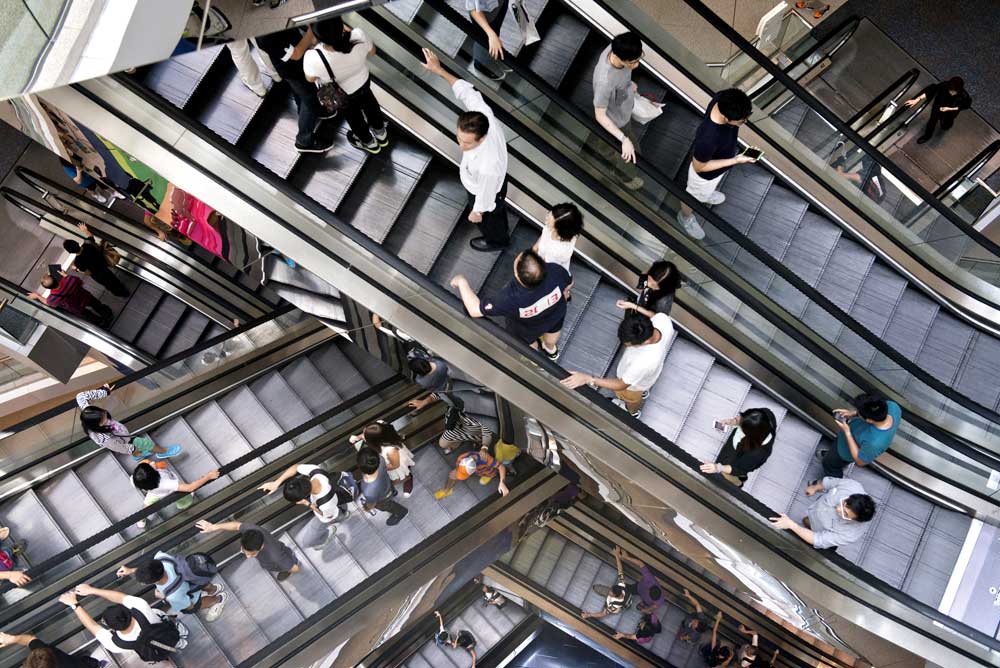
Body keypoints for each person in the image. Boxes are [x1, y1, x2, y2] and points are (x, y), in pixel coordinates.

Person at [422, 48, 510, 251]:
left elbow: (486, 198)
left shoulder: (487, 166)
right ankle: (499, 232)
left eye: (468, 143)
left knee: (491, 218)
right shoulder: (483, 114)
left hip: (488, 190)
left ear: (482, 138)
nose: (461, 145)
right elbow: (467, 93)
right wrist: (439, 70)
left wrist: (477, 212)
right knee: (496, 212)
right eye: (459, 138)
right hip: (490, 182)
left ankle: (497, 241)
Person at [561, 300, 673, 418]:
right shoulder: (663, 321)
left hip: (634, 387)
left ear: (645, 342)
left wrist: (588, 379)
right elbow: (654, 315)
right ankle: (643, 391)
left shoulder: (643, 362)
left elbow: (621, 384)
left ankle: (633, 412)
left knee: (632, 398)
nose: (626, 345)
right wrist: (633, 306)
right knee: (642, 385)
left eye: (629, 344)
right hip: (647, 375)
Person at [452, 249, 569, 359]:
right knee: (551, 338)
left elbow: (474, 310)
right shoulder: (555, 271)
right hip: (555, 315)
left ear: (517, 275)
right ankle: (551, 350)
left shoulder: (510, 298)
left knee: (528, 346)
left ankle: (534, 360)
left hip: (526, 329)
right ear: (542, 263)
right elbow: (569, 283)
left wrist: (462, 282)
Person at [677, 88, 758, 240]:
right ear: (726, 118)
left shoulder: (723, 98)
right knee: (692, 197)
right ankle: (685, 217)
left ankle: (706, 195)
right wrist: (735, 160)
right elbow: (699, 167)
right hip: (704, 177)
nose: (744, 122)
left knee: (704, 192)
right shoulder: (708, 138)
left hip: (718, 164)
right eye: (741, 121)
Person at [304, 17, 388, 154]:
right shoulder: (358, 35)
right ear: (340, 24)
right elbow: (372, 52)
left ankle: (370, 144)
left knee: (354, 118)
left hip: (342, 94)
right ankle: (381, 134)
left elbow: (310, 78)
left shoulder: (313, 57)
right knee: (371, 105)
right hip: (363, 82)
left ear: (317, 35)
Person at [255, 26, 336, 154]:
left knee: (302, 94)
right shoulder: (265, 37)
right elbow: (296, 54)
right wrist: (311, 31)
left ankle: (313, 111)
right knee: (310, 100)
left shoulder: (266, 26)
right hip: (293, 70)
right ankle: (303, 141)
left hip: (295, 66)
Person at [59, 584, 189, 659]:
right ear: (127, 611)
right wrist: (92, 590)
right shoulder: (141, 608)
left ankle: (177, 645)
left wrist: (74, 604)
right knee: (166, 625)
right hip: (164, 629)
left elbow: (92, 626)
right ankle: (179, 635)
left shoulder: (116, 644)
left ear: (111, 628)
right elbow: (120, 597)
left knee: (165, 643)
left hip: (153, 648)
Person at [259, 462, 359, 550]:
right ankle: (344, 513)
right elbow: (295, 467)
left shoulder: (324, 504)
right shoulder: (316, 472)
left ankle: (339, 521)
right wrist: (277, 482)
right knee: (337, 506)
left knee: (307, 542)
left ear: (303, 497)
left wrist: (308, 504)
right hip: (338, 489)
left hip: (333, 508)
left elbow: (326, 517)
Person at [592, 31, 645, 191]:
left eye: (639, 58)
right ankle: (624, 176)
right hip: (617, 121)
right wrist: (623, 139)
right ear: (620, 57)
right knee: (632, 153)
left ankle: (606, 154)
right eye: (633, 62)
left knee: (606, 146)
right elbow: (600, 115)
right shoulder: (605, 82)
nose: (637, 65)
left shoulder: (618, 47)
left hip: (622, 108)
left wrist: (629, 84)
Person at [76, 385, 182, 459]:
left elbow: (80, 396)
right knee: (145, 443)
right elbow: (118, 447)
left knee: (137, 447)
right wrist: (132, 449)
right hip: (122, 440)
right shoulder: (103, 438)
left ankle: (139, 454)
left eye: (103, 413)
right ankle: (163, 452)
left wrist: (104, 392)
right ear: (97, 425)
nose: (106, 417)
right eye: (103, 419)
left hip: (120, 433)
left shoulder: (88, 412)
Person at [769, 477, 876, 550]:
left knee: (809, 526)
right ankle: (808, 521)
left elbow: (817, 539)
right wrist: (815, 487)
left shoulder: (849, 534)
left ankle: (809, 524)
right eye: (844, 503)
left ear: (855, 520)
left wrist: (792, 525)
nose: (838, 509)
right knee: (807, 520)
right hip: (816, 510)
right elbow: (830, 483)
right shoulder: (851, 486)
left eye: (845, 514)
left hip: (819, 529)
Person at [118, 553, 226, 622]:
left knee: (192, 608)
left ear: (155, 581)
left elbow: (189, 606)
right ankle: (214, 589)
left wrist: (164, 597)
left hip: (189, 590)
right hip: (195, 577)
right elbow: (150, 568)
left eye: (144, 582)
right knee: (201, 583)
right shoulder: (161, 557)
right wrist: (131, 570)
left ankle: (218, 599)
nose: (142, 583)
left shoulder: (173, 595)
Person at [818, 393, 901, 478]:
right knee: (832, 454)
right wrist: (853, 413)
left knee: (829, 464)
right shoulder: (893, 407)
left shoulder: (874, 443)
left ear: (869, 420)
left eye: (860, 413)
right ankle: (829, 455)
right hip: (844, 438)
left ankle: (830, 482)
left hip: (845, 453)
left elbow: (860, 461)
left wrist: (848, 433)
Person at [196, 519, 300, 581]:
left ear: (261, 546)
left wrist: (288, 569)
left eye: (252, 554)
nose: (247, 556)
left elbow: (295, 568)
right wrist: (214, 527)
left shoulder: (276, 557)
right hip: (270, 560)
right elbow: (236, 525)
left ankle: (286, 571)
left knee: (287, 566)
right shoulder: (251, 530)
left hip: (284, 561)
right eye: (245, 551)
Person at [700, 408, 777, 487]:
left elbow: (738, 469)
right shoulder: (765, 415)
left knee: (726, 472)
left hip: (740, 457)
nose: (739, 419)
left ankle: (739, 481)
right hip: (740, 447)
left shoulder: (758, 453)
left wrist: (718, 467)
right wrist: (732, 421)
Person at [131, 462, 220, 525]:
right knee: (184, 500)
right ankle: (184, 507)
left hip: (154, 494)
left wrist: (152, 466)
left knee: (147, 506)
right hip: (172, 491)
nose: (152, 464)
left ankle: (141, 520)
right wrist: (208, 477)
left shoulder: (139, 479)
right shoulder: (165, 483)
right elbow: (190, 487)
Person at [350, 421, 415, 498]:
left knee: (397, 479)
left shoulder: (390, 450)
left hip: (393, 464)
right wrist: (358, 437)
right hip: (386, 460)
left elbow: (395, 465)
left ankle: (408, 478)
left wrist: (380, 468)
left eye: (366, 436)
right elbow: (366, 434)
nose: (363, 436)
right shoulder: (379, 429)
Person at [533, 203, 583, 301]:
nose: (546, 219)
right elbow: (542, 239)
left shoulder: (557, 251)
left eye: (549, 220)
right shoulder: (553, 228)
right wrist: (534, 249)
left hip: (550, 268)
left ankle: (563, 292)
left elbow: (545, 267)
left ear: (559, 228)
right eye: (549, 214)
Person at [63, 223, 129, 298]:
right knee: (113, 278)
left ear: (70, 252)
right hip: (104, 266)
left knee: (109, 285)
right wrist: (84, 230)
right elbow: (90, 236)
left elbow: (87, 272)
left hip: (98, 275)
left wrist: (76, 269)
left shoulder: (78, 261)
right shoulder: (87, 244)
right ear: (77, 243)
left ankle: (121, 293)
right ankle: (122, 288)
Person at [29, 272, 113, 327]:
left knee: (89, 316)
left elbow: (47, 302)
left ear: (48, 288)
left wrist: (37, 296)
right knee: (97, 305)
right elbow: (80, 282)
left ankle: (102, 323)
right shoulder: (70, 279)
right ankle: (108, 314)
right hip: (86, 297)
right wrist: (65, 275)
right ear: (55, 278)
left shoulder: (54, 297)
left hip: (77, 307)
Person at [905, 76, 972, 144]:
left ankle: (945, 126)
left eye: (954, 90)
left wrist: (949, 109)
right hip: (937, 107)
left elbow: (965, 105)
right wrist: (917, 99)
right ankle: (927, 136)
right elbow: (931, 90)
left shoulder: (963, 95)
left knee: (946, 124)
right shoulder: (944, 85)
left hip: (950, 113)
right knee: (932, 121)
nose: (951, 92)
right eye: (950, 89)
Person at [357, 446, 410, 526]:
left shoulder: (368, 490)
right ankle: (393, 492)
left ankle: (402, 512)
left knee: (387, 506)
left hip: (382, 498)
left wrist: (367, 507)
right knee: (390, 489)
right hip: (387, 484)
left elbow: (372, 503)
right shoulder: (380, 459)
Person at [434, 445, 509, 500]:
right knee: (452, 474)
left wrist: (502, 482)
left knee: (489, 474)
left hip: (487, 471)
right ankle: (446, 491)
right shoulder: (461, 458)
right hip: (477, 471)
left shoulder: (486, 459)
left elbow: (501, 467)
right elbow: (457, 471)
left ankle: (489, 476)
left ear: (474, 469)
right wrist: (456, 473)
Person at [0, 631, 106, 668]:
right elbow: (29, 639)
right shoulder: (57, 659)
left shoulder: (53, 658)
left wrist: (12, 639)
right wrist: (12, 639)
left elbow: (30, 640)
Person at [580, 546, 630, 620]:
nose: (609, 593)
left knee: (599, 590)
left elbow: (603, 613)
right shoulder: (622, 586)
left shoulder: (614, 606)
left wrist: (589, 615)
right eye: (610, 591)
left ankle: (599, 591)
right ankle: (597, 589)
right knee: (597, 588)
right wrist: (616, 555)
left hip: (612, 604)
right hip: (617, 599)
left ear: (615, 596)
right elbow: (620, 571)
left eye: (610, 593)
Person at [465, 0, 510, 81]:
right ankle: (480, 65)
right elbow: (472, 8)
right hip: (484, 16)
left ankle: (494, 54)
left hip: (499, 6)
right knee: (484, 39)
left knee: (495, 31)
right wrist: (491, 34)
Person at [617, 547, 665, 614]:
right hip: (639, 588)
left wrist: (646, 610)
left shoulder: (659, 600)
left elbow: (654, 606)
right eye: (642, 605)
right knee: (622, 587)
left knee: (623, 589)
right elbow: (641, 564)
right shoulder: (650, 580)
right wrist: (627, 557)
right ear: (649, 589)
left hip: (641, 593)